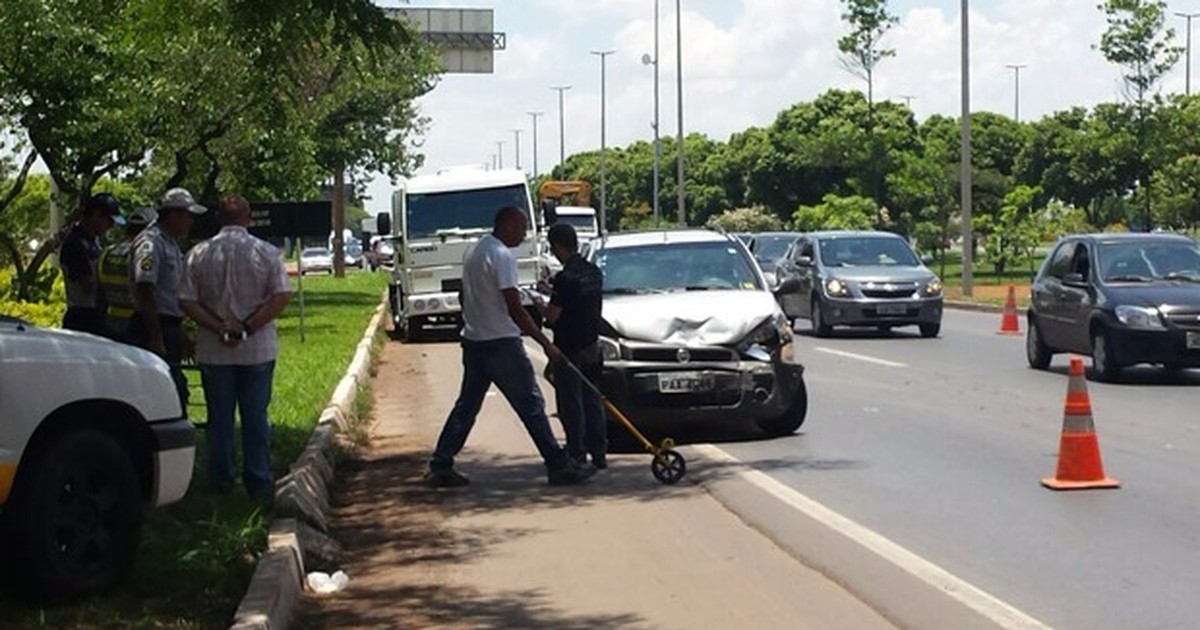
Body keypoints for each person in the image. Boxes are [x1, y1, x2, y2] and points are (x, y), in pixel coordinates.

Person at [425, 205, 595, 488]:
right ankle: (559, 464)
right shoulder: (502, 256)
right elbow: (515, 308)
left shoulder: (475, 251)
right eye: (522, 227)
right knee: (531, 404)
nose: (524, 234)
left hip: (475, 341)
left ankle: (441, 463)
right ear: (508, 226)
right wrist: (545, 344)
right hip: (501, 343)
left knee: (466, 406)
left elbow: (464, 296)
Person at [180, 196, 292, 498]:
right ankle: (258, 480)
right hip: (257, 349)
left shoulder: (198, 253)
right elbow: (281, 295)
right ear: (248, 218)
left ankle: (221, 483)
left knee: (219, 421)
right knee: (256, 418)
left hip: (214, 350)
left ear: (219, 218)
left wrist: (218, 326)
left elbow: (187, 300)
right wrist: (248, 327)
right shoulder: (266, 252)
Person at [130, 188, 206, 412]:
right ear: (173, 215)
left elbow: (169, 297)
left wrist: (182, 335)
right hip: (151, 327)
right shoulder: (150, 243)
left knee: (175, 388)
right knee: (167, 388)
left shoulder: (170, 243)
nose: (190, 221)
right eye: (188, 215)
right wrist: (156, 336)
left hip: (168, 325)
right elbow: (146, 289)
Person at [541, 223, 607, 469]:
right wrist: (552, 291)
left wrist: (540, 305)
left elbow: (553, 316)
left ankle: (577, 451)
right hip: (592, 342)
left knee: (571, 402)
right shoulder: (593, 272)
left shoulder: (565, 278)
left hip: (569, 346)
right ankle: (599, 452)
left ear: (558, 246)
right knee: (593, 399)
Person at [60, 192, 124, 335]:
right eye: (109, 221)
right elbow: (87, 285)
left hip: (98, 314)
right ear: (96, 214)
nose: (111, 226)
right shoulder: (75, 244)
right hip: (82, 316)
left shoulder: (94, 242)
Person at [98, 207, 155, 340]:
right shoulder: (145, 254)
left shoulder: (107, 252)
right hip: (138, 326)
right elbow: (148, 292)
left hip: (110, 324)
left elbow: (99, 294)